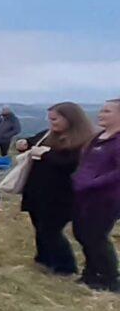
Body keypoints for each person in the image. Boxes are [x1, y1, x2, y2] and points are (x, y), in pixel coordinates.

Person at [16, 103, 94, 276]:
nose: (51, 122)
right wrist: (25, 143)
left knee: (51, 230)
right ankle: (44, 259)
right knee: (39, 226)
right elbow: (33, 142)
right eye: (50, 119)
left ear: (70, 119)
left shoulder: (83, 141)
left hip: (61, 194)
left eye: (55, 119)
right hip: (38, 190)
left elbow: (71, 164)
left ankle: (65, 267)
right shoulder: (48, 134)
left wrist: (45, 154)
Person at [72, 97, 120, 292]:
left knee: (97, 236)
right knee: (82, 234)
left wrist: (93, 182)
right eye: (101, 110)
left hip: (106, 198)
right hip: (84, 195)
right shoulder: (98, 137)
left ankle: (110, 278)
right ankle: (91, 272)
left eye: (107, 111)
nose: (101, 114)